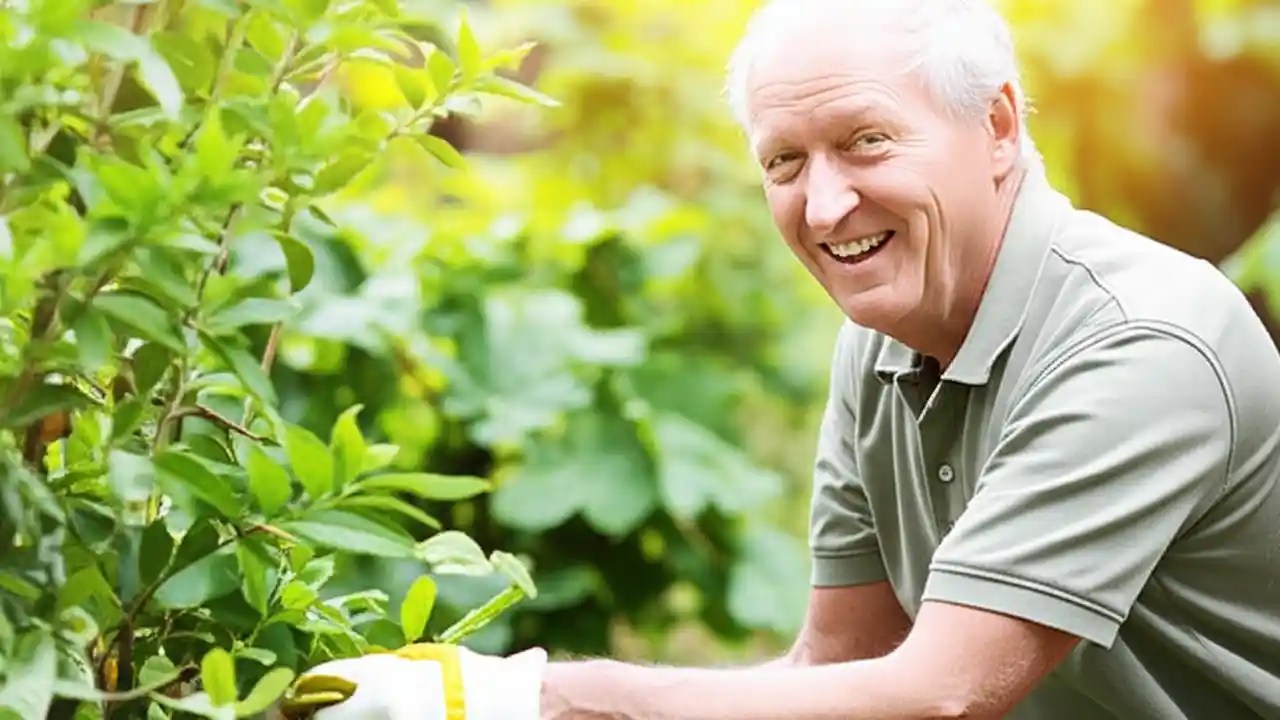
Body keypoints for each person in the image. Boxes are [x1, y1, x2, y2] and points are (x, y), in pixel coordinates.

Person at [286, 0, 1280, 718]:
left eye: (865, 141)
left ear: (996, 127)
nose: (823, 206)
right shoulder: (882, 335)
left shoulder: (1136, 341)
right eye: (783, 161)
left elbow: (934, 695)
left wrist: (522, 698)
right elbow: (833, 669)